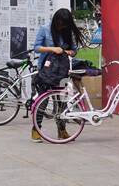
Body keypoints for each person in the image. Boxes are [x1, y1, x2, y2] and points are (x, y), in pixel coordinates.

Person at [30, 8, 84, 142]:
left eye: (64, 25)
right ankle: (36, 130)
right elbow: (36, 47)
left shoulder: (67, 32)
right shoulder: (45, 29)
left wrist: (70, 52)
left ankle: (62, 130)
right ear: (56, 20)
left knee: (61, 101)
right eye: (60, 24)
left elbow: (74, 50)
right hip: (46, 70)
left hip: (62, 71)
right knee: (43, 100)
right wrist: (52, 49)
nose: (62, 27)